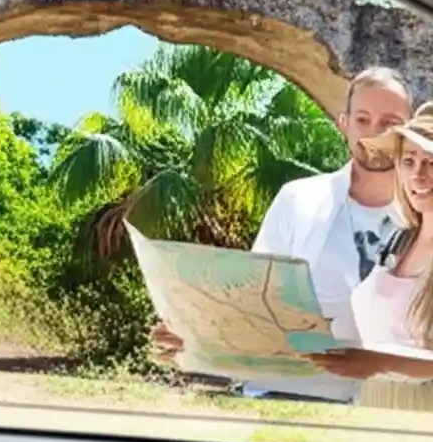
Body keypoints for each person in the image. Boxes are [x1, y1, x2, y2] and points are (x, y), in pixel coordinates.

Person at [151, 66, 414, 402]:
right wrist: (193, 335)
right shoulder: (298, 199)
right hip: (283, 399)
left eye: (389, 123)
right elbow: (255, 308)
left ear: (410, 130)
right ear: (343, 124)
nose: (374, 134)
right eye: (363, 120)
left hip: (389, 413)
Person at [307, 101, 433, 413]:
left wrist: (381, 362)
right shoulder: (396, 240)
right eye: (409, 160)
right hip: (369, 410)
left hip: (432, 420)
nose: (418, 174)